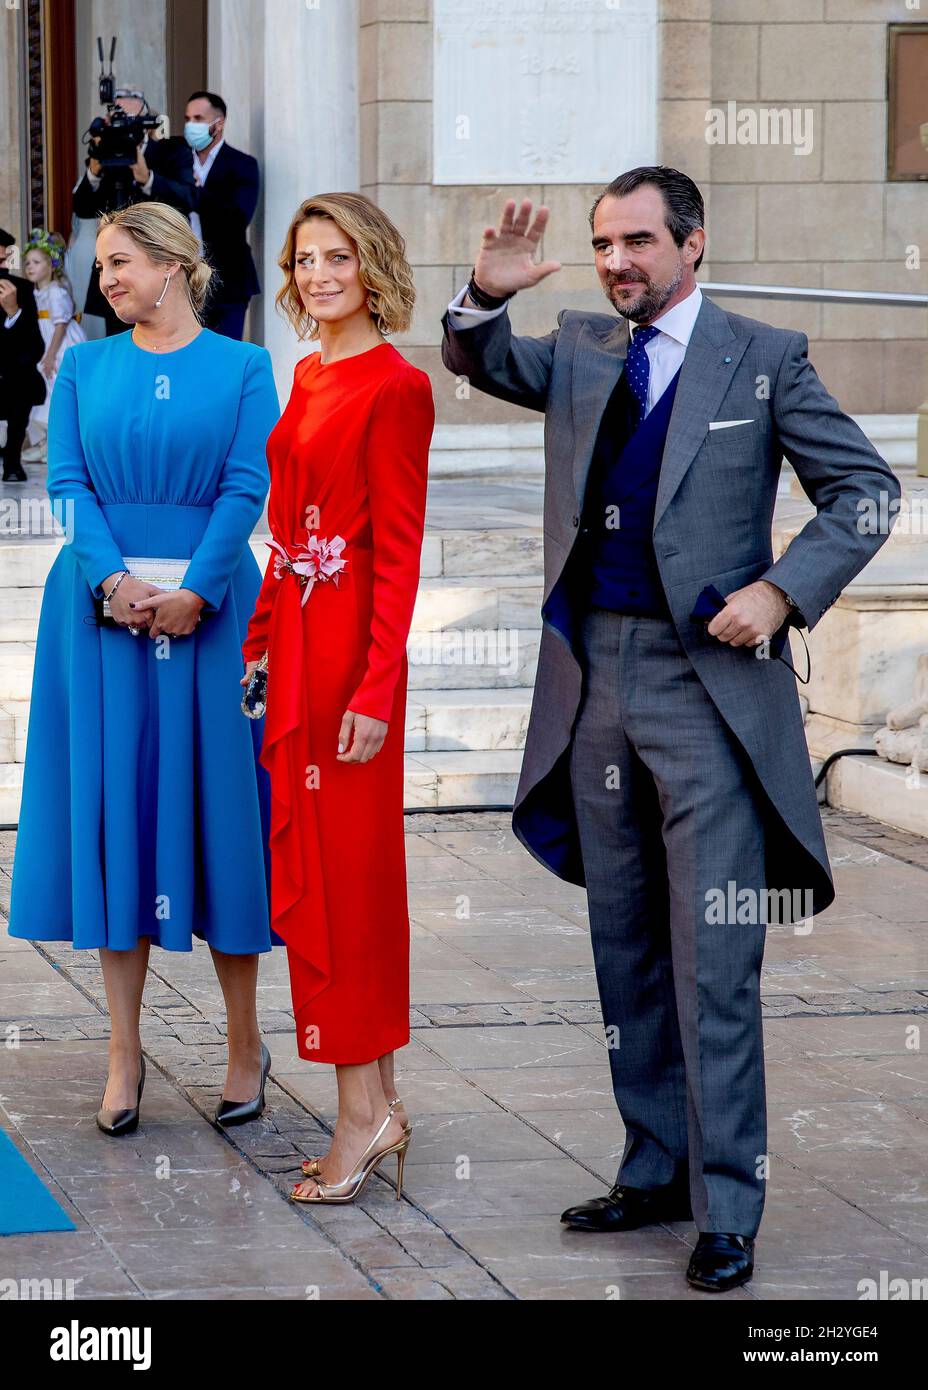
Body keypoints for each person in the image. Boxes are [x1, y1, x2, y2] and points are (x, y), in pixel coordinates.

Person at [440, 167, 901, 1292]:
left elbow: (866, 491)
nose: (617, 262)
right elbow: (483, 359)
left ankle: (727, 1203)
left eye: (638, 241)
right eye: (603, 244)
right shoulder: (586, 346)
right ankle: (653, 1164)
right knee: (627, 946)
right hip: (593, 677)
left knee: (714, 962)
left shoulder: (764, 354)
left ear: (693, 242)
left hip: (709, 689)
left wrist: (783, 591)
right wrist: (480, 297)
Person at [7, 201, 282, 1135]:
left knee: (219, 820)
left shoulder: (245, 367)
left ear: (174, 264)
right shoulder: (83, 363)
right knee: (118, 821)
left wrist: (198, 590)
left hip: (213, 618)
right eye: (104, 265)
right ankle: (124, 1052)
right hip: (97, 616)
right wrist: (117, 581)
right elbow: (69, 483)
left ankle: (246, 1043)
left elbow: (248, 484)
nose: (107, 278)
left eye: (122, 262)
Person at [240, 192, 434, 1204]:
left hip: (352, 668)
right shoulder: (308, 373)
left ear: (372, 269)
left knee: (348, 886)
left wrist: (376, 686)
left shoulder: (395, 388)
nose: (317, 276)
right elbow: (286, 530)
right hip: (298, 658)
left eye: (337, 258)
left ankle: (359, 1116)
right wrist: (263, 641)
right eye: (304, 259)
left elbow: (396, 559)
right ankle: (383, 1100)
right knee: (319, 867)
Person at [72, 89, 196, 335]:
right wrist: (94, 170)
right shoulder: (103, 152)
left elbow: (187, 200)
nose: (123, 127)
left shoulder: (172, 150)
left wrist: (147, 178)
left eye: (129, 119)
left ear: (146, 121)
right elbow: (82, 208)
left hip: (157, 266)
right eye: (117, 120)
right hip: (117, 270)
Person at [184, 91, 260, 340]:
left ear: (219, 122)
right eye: (188, 119)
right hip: (182, 276)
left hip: (228, 279)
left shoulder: (242, 164)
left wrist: (196, 193)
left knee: (225, 358)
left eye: (198, 118)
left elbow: (239, 217)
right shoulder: (177, 163)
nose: (191, 125)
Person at [21, 228, 87, 455]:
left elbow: (60, 325)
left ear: (51, 265)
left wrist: (50, 355)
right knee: (47, 387)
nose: (30, 267)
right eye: (27, 262)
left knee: (57, 384)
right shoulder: (37, 291)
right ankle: (46, 442)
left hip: (60, 344)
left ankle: (58, 443)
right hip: (48, 342)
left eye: (36, 262)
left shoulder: (56, 291)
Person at [0, 228, 46, 482]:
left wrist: (12, 312)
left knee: (23, 382)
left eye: (5, 261)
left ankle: (12, 460)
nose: (4, 268)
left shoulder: (22, 290)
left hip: (11, 375)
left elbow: (35, 346)